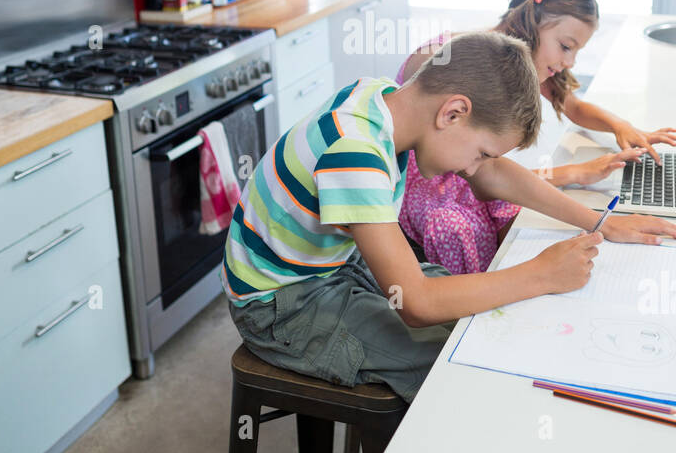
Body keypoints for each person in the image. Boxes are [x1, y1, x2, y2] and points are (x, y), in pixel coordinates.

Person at [222, 32, 611, 403]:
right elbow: (416, 303)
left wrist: (598, 222)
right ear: (453, 113)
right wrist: (540, 273)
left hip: (329, 265)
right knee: (458, 361)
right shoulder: (355, 152)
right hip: (280, 305)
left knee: (477, 318)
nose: (476, 170)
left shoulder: (386, 100)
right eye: (481, 152)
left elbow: (492, 174)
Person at [396, 0, 676, 274]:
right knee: (468, 233)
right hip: (435, 193)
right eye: (566, 46)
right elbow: (484, 174)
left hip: (474, 178)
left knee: (523, 231)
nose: (569, 61)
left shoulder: (521, 60)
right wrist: (573, 177)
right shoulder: (452, 62)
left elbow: (570, 105)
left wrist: (620, 126)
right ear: (532, 23)